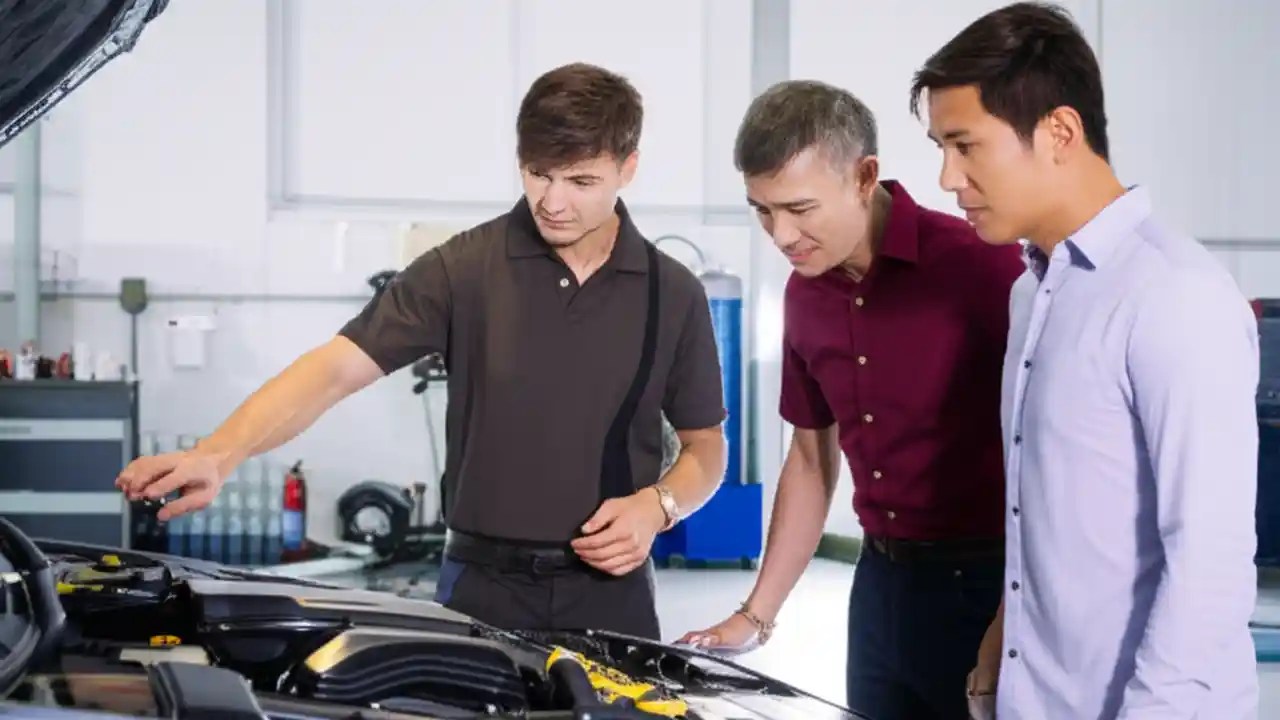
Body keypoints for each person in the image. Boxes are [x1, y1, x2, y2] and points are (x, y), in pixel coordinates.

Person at [115, 62, 729, 641]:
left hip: (612, 597)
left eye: (581, 181)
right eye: (537, 172)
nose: (553, 200)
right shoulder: (462, 269)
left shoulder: (671, 291)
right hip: (481, 589)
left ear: (629, 168)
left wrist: (659, 507)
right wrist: (219, 454)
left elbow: (706, 447)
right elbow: (332, 371)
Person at [910, 3, 1261, 718]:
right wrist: (1003, 643)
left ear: (1059, 132)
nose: (947, 178)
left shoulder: (1174, 295)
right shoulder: (1029, 293)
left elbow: (1211, 565)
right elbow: (1052, 518)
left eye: (965, 145)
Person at [678, 79, 1025, 719]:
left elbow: (1048, 465)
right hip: (879, 587)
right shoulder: (804, 295)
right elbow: (812, 460)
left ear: (865, 176)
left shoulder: (986, 270)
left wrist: (1008, 626)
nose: (780, 235)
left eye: (799, 208)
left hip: (988, 589)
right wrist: (756, 615)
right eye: (762, 210)